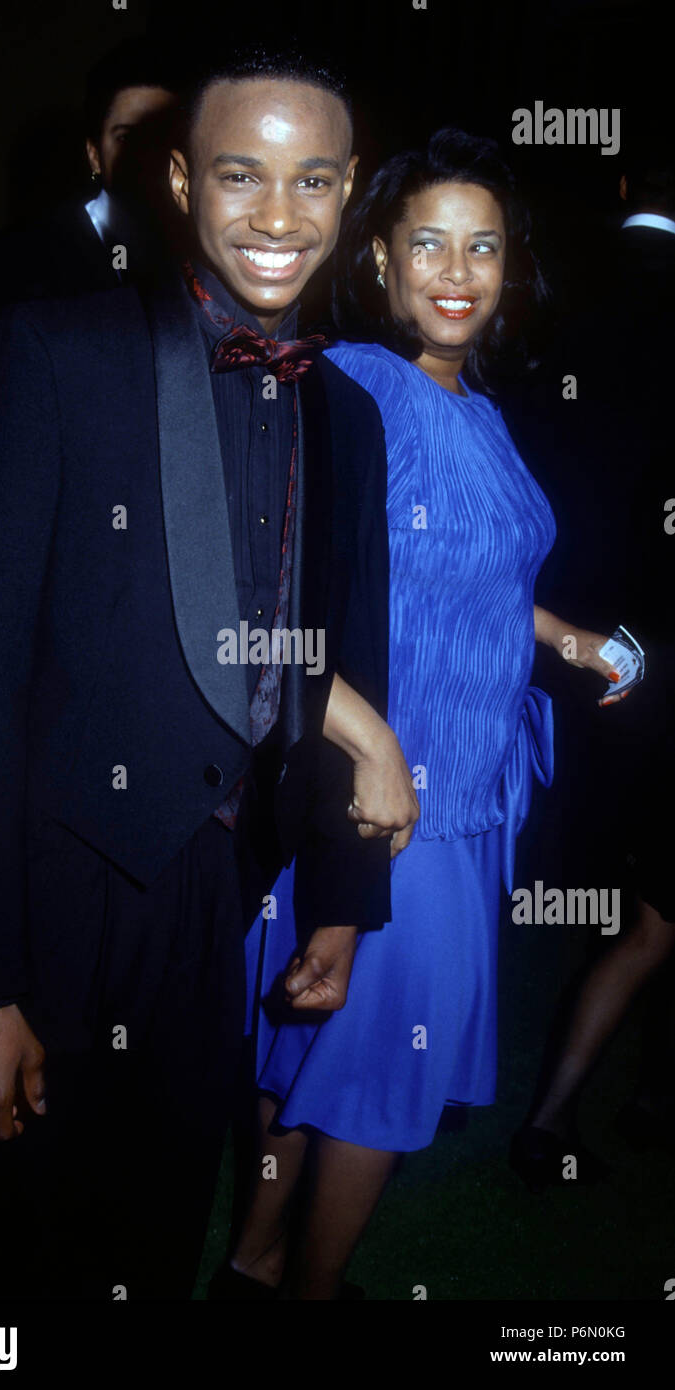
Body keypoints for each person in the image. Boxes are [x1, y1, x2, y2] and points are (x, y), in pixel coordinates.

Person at [0, 46, 418, 1302]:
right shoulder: (49, 353)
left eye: (312, 181)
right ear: (180, 180)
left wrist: (341, 899)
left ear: (348, 193)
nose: (279, 215)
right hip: (54, 885)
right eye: (242, 174)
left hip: (223, 893)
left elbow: (351, 655)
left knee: (154, 1223)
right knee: (6, 1259)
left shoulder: (344, 413)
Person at [219, 129, 624, 1301]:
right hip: (388, 792)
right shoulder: (352, 386)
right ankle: (306, 1287)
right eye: (427, 244)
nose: (456, 269)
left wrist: (564, 638)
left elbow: (468, 577)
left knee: (321, 1052)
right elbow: (277, 592)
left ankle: (251, 1263)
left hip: (467, 781)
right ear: (381, 264)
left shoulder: (474, 405)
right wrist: (366, 755)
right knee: (378, 1081)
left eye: (481, 245)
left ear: (509, 269)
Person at [508, 132, 675, 1189]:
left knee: (613, 862)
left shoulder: (563, 300)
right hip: (637, 621)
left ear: (624, 187)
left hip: (574, 608)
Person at [0, 37, 182, 324]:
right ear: (94, 154)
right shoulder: (15, 260)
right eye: (126, 137)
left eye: (162, 137)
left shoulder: (206, 250)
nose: (146, 156)